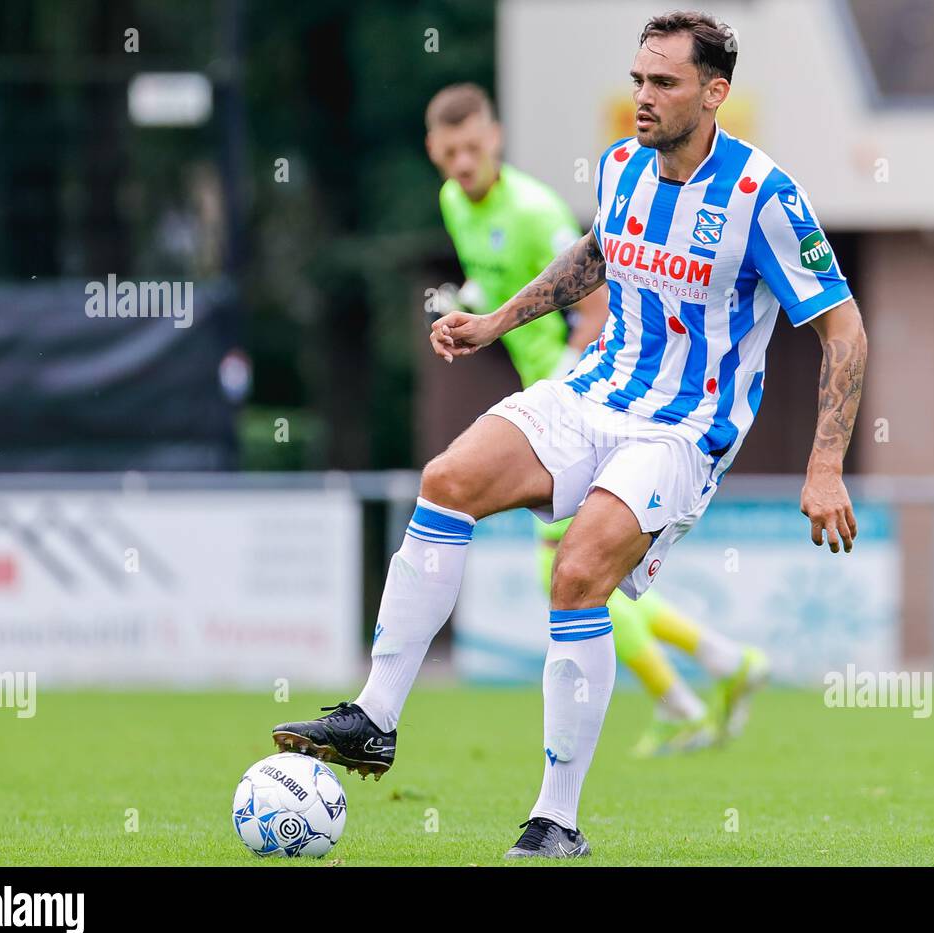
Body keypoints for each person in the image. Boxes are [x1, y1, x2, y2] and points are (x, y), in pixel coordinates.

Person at [273, 10, 867, 860]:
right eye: (638, 79)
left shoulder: (764, 198)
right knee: (446, 480)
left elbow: (843, 332)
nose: (643, 98)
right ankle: (374, 717)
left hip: (683, 428)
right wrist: (496, 321)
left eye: (664, 83)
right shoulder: (623, 165)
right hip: (594, 390)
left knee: (580, 571)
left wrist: (827, 465)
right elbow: (595, 253)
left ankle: (556, 820)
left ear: (715, 91)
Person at [423, 81, 767, 756]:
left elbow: (598, 299)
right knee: (576, 575)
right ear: (434, 151)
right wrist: (470, 304)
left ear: (495, 138)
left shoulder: (533, 208)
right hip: (550, 395)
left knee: (573, 575)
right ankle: (725, 664)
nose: (462, 162)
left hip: (585, 404)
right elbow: (497, 281)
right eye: (449, 151)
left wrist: (568, 395)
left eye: (473, 146)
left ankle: (682, 700)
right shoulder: (453, 205)